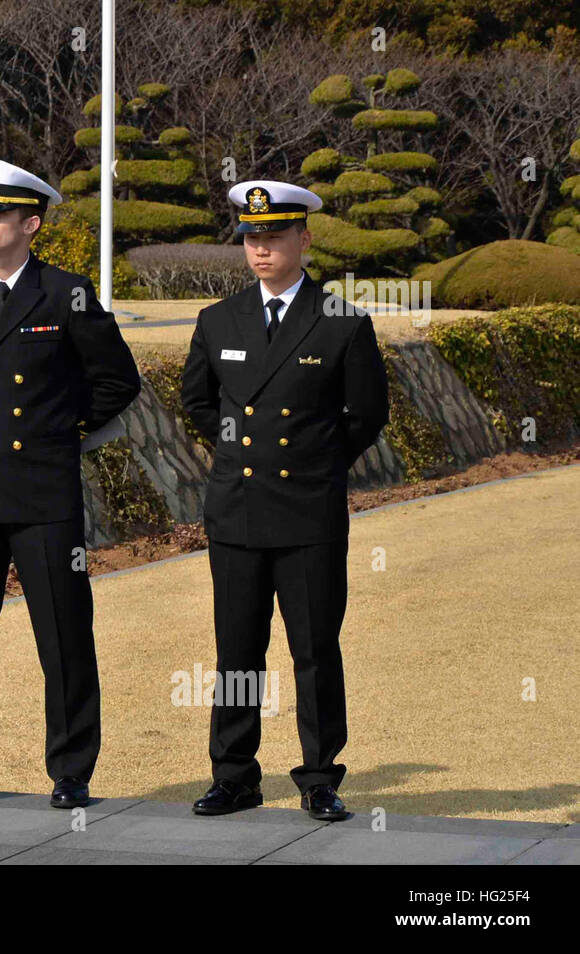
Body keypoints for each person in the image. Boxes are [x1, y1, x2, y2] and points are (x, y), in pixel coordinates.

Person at [0, 159, 140, 809]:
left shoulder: (65, 293)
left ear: (30, 223)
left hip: (43, 492)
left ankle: (71, 770)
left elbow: (118, 380)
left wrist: (62, 426)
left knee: (63, 635)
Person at [180, 179, 389, 821]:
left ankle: (320, 777)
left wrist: (314, 464)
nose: (261, 249)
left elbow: (367, 414)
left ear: (304, 237)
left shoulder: (343, 321)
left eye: (274, 237)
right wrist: (240, 453)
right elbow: (196, 402)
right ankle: (235, 775)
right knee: (237, 652)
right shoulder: (219, 319)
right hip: (237, 510)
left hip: (307, 514)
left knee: (314, 650)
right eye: (252, 237)